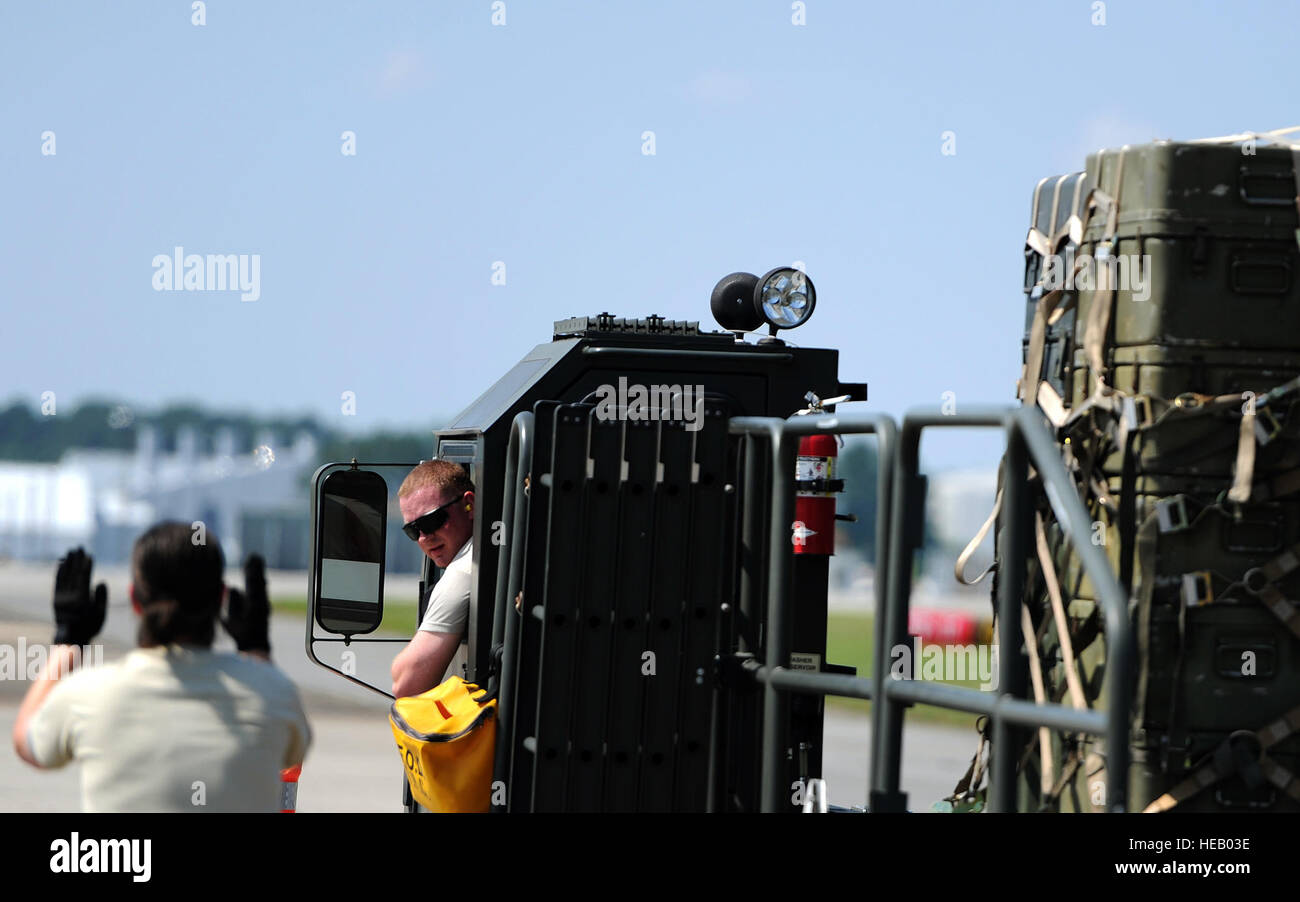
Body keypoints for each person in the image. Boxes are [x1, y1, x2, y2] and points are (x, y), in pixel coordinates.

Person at [12, 523, 311, 812]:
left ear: (134, 599)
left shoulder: (90, 694)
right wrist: (256, 649)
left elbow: (27, 741)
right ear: (222, 599)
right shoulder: (273, 696)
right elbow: (291, 750)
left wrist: (68, 640)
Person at [390, 460, 475, 698]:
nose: (424, 538)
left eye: (431, 521)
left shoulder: (464, 570)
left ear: (469, 505)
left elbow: (407, 683)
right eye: (413, 530)